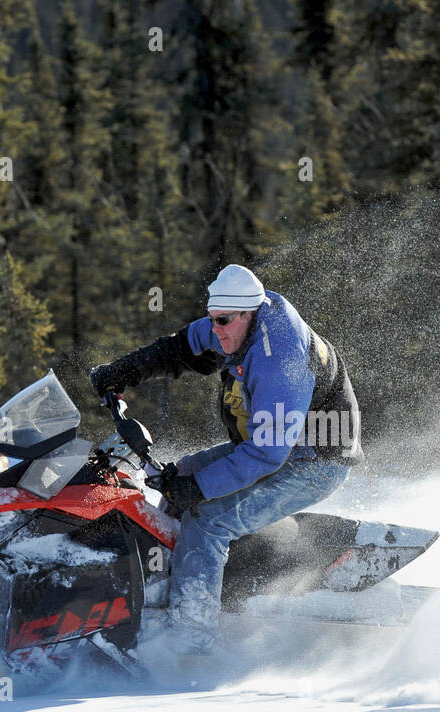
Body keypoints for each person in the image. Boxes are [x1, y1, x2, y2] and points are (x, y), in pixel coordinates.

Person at [89, 264, 362, 654]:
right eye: (213, 319)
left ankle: (190, 647)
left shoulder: (279, 356)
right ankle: (169, 588)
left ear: (249, 314)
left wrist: (197, 490)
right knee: (180, 474)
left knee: (207, 521)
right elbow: (179, 349)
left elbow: (266, 455)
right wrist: (123, 371)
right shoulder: (235, 319)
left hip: (314, 462)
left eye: (222, 322)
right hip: (274, 446)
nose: (216, 330)